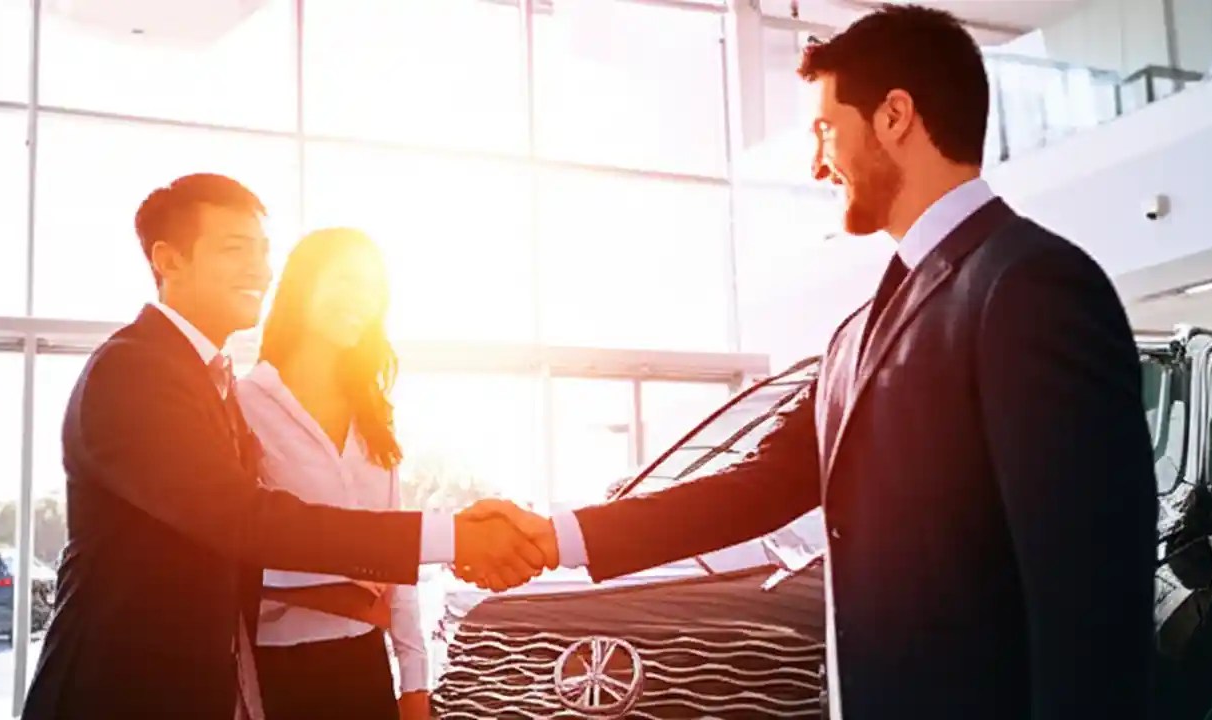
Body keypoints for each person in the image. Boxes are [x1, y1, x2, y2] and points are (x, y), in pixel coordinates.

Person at [467, 6, 1157, 720]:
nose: (816, 163)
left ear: (895, 115)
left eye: (826, 128)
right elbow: (760, 487)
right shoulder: (854, 336)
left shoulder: (1031, 286)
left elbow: (1093, 601)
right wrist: (556, 537)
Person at [22, 174, 556, 720]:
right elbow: (244, 521)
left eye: (262, 250)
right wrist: (450, 539)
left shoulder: (210, 379)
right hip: (117, 691)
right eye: (235, 249)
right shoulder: (136, 369)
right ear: (168, 261)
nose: (258, 268)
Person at [235, 228, 428, 720]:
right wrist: (334, 592)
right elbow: (231, 547)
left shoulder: (373, 416)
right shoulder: (244, 404)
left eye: (371, 289)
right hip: (281, 670)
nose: (360, 300)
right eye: (346, 280)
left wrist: (415, 684)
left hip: (365, 665)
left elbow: (396, 558)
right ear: (303, 284)